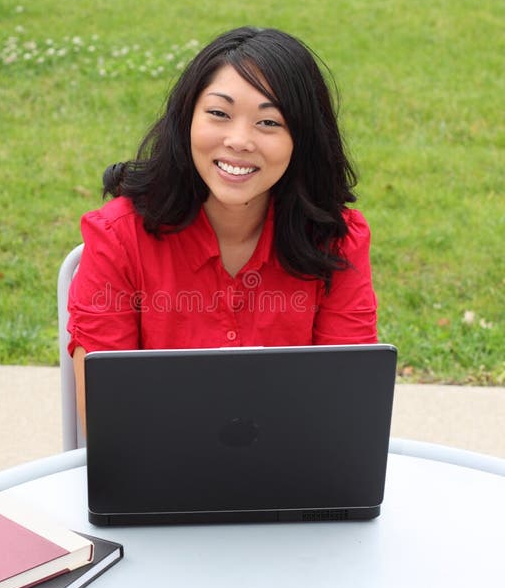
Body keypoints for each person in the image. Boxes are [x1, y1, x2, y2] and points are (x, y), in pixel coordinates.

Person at [68, 26, 377, 427]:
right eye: (219, 113)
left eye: (269, 123)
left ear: (303, 139)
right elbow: (107, 418)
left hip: (295, 481)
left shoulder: (338, 241)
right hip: (158, 480)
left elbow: (345, 409)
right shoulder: (117, 237)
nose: (238, 140)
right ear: (186, 119)